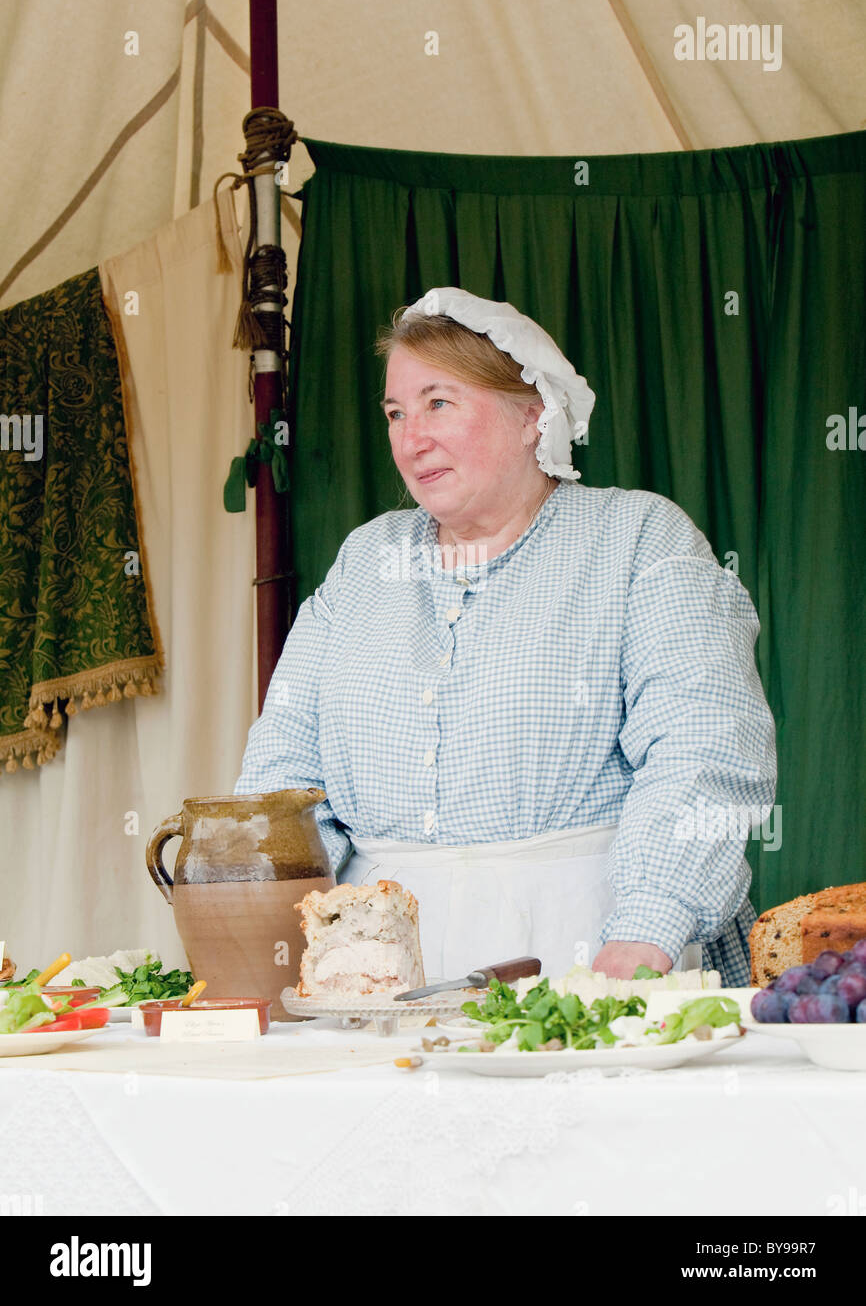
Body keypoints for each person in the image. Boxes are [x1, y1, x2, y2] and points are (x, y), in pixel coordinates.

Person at [235, 287, 777, 985]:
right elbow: (283, 773)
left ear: (534, 415)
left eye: (439, 403)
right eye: (396, 413)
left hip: (596, 954)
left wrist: (649, 926)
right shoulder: (367, 562)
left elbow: (705, 744)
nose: (411, 437)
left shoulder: (638, 539)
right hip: (380, 977)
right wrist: (257, 918)